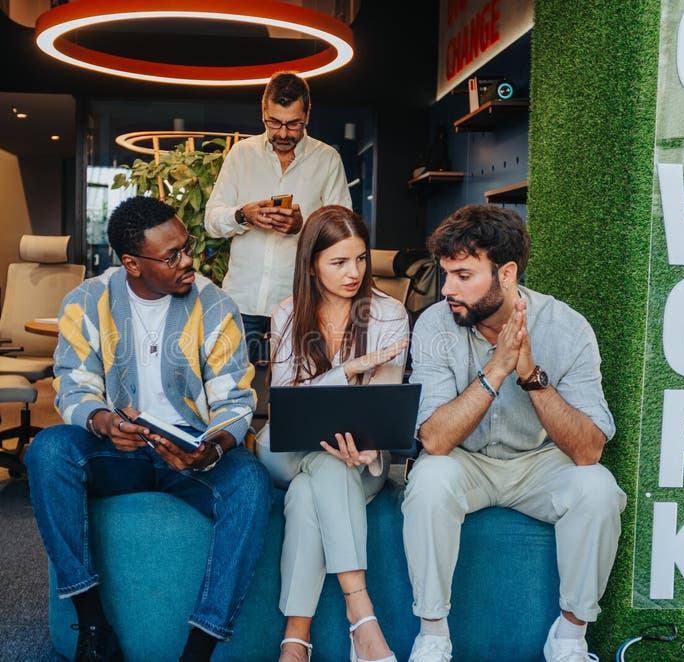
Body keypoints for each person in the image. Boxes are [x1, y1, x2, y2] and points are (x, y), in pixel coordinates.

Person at [24, 196, 271, 662]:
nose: (188, 261)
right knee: (48, 451)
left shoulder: (215, 304)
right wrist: (103, 421)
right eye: (171, 256)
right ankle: (92, 626)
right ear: (132, 263)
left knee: (251, 483)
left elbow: (235, 401)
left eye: (187, 247)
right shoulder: (87, 301)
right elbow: (73, 386)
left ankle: (201, 646)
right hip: (118, 450)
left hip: (191, 454)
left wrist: (214, 448)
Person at [401, 205, 626, 662]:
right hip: (465, 460)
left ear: (506, 274)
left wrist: (530, 376)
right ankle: (433, 636)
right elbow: (435, 441)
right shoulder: (434, 324)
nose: (447, 289)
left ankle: (570, 638)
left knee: (599, 488)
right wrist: (496, 370)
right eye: (446, 274)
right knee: (429, 478)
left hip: (538, 464)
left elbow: (589, 450)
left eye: (463, 275)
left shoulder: (567, 327)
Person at [255, 206, 409, 662]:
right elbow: (287, 403)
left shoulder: (389, 314)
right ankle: (361, 616)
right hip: (288, 448)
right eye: (338, 262)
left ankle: (295, 640)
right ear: (311, 264)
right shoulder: (287, 315)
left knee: (312, 487)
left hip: (360, 460)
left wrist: (369, 448)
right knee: (321, 459)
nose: (353, 273)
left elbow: (385, 406)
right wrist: (349, 370)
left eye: (360, 259)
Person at [205, 71, 352, 366]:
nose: (283, 133)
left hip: (299, 304)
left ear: (307, 115)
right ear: (263, 113)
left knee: (293, 387)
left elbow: (344, 232)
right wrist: (242, 215)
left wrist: (303, 227)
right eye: (274, 123)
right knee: (235, 385)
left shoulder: (327, 159)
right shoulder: (241, 154)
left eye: (293, 124)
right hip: (241, 302)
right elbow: (211, 221)